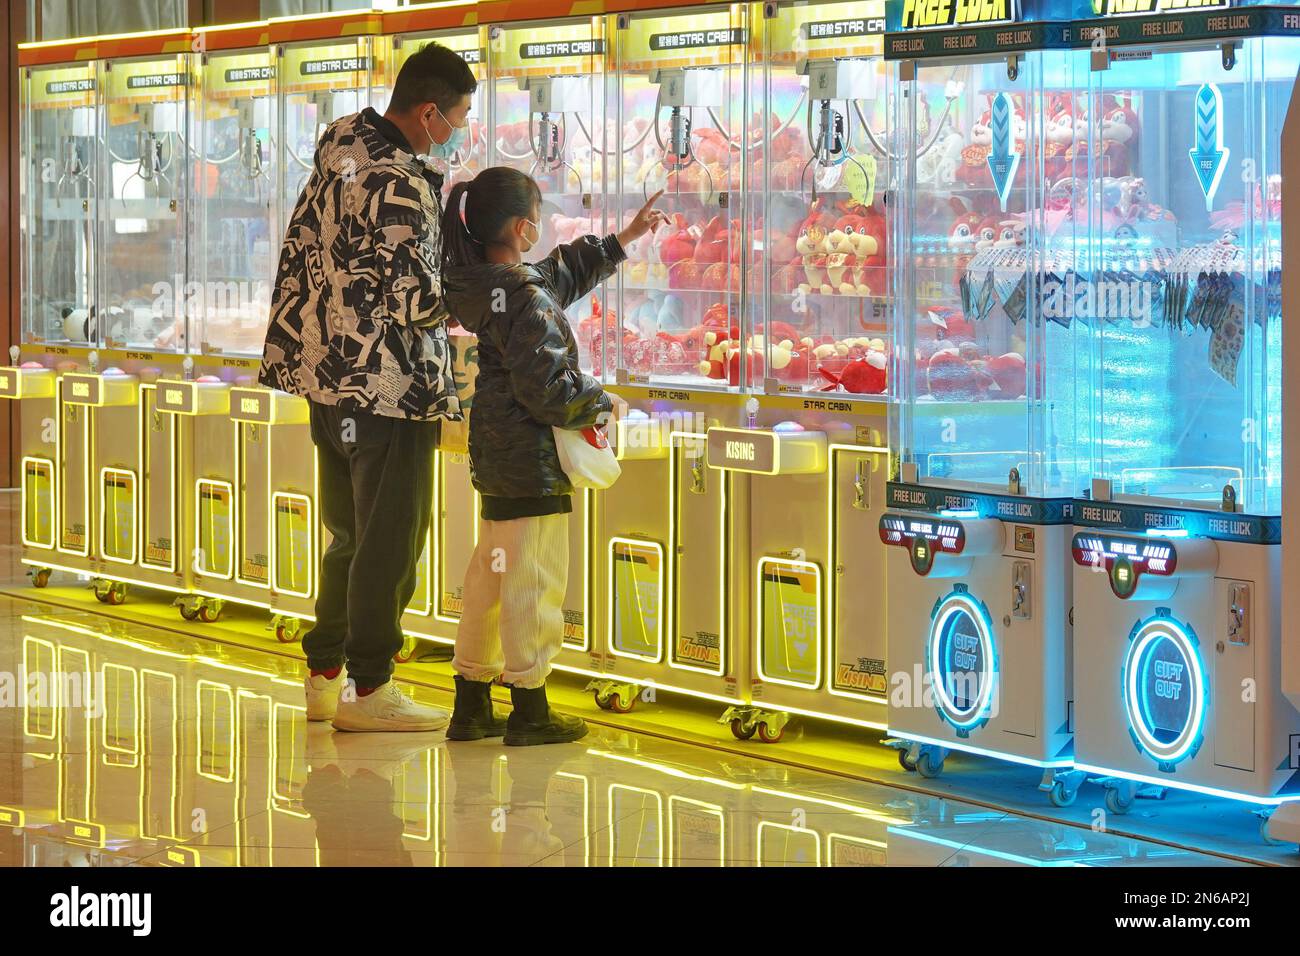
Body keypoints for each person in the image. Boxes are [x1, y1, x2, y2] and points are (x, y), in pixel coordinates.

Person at [258, 43, 476, 732]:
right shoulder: (402, 183)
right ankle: (370, 686)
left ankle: (325, 671)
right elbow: (418, 303)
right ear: (429, 111)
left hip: (326, 374)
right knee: (391, 534)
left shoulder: (341, 140)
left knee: (349, 531)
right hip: (389, 387)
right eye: (459, 116)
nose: (460, 128)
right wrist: (488, 295)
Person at [439, 168, 666, 745]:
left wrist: (622, 240)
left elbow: (550, 279)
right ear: (524, 226)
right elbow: (547, 387)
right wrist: (599, 402)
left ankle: (471, 703)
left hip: (495, 456)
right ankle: (529, 707)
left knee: (489, 581)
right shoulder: (522, 295)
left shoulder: (486, 281)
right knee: (532, 584)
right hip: (531, 461)